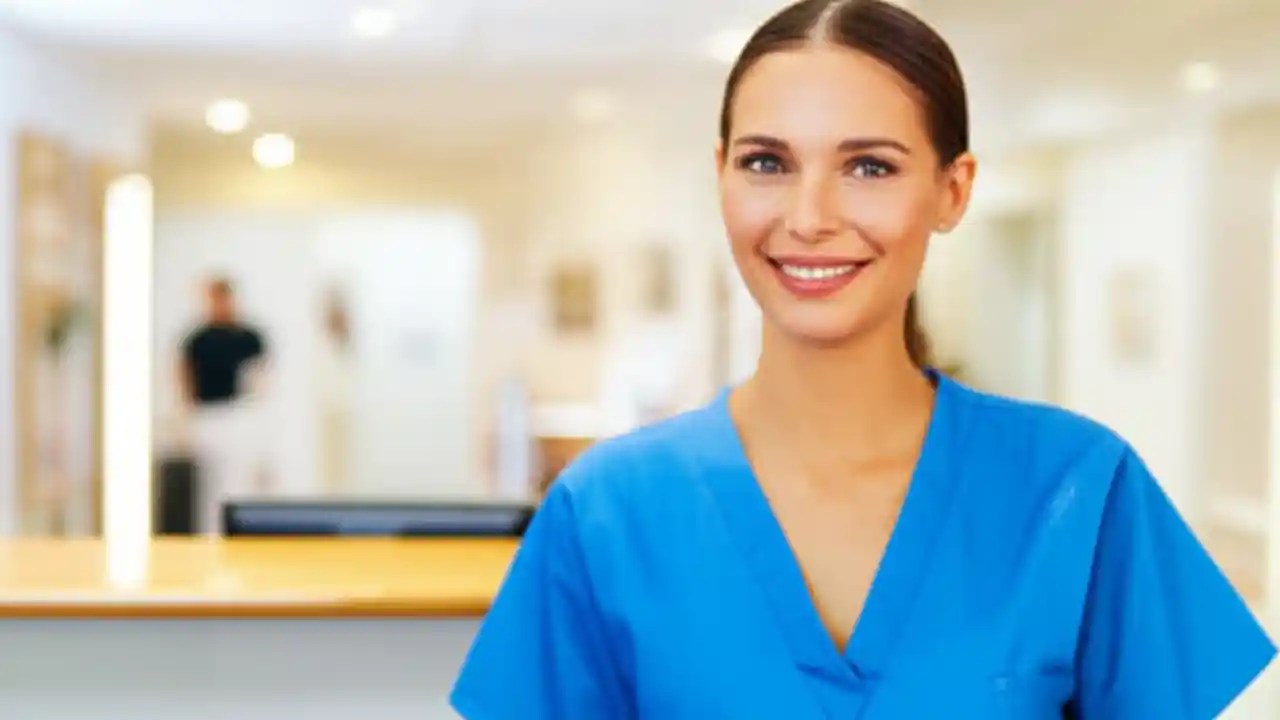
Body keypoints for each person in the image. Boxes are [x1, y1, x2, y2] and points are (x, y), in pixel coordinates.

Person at [451, 1, 1276, 717]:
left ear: (953, 191)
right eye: (767, 163)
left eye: (869, 167)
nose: (810, 217)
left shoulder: (1076, 491)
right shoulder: (606, 514)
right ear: (722, 176)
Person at [179, 277, 269, 534]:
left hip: (238, 413)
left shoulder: (248, 336)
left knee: (241, 479)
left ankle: (240, 531)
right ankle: (210, 534)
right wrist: (186, 414)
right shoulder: (197, 339)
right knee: (210, 484)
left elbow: (261, 376)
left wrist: (257, 410)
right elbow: (184, 376)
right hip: (206, 414)